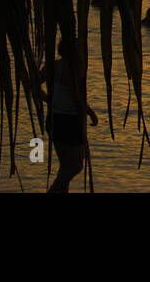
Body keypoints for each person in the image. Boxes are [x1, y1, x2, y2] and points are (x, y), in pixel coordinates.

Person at [43, 37, 98, 193]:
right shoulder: (70, 69)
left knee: (65, 167)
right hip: (68, 121)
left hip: (55, 119)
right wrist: (90, 112)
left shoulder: (52, 65)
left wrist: (50, 100)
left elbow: (33, 85)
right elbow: (76, 96)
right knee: (75, 167)